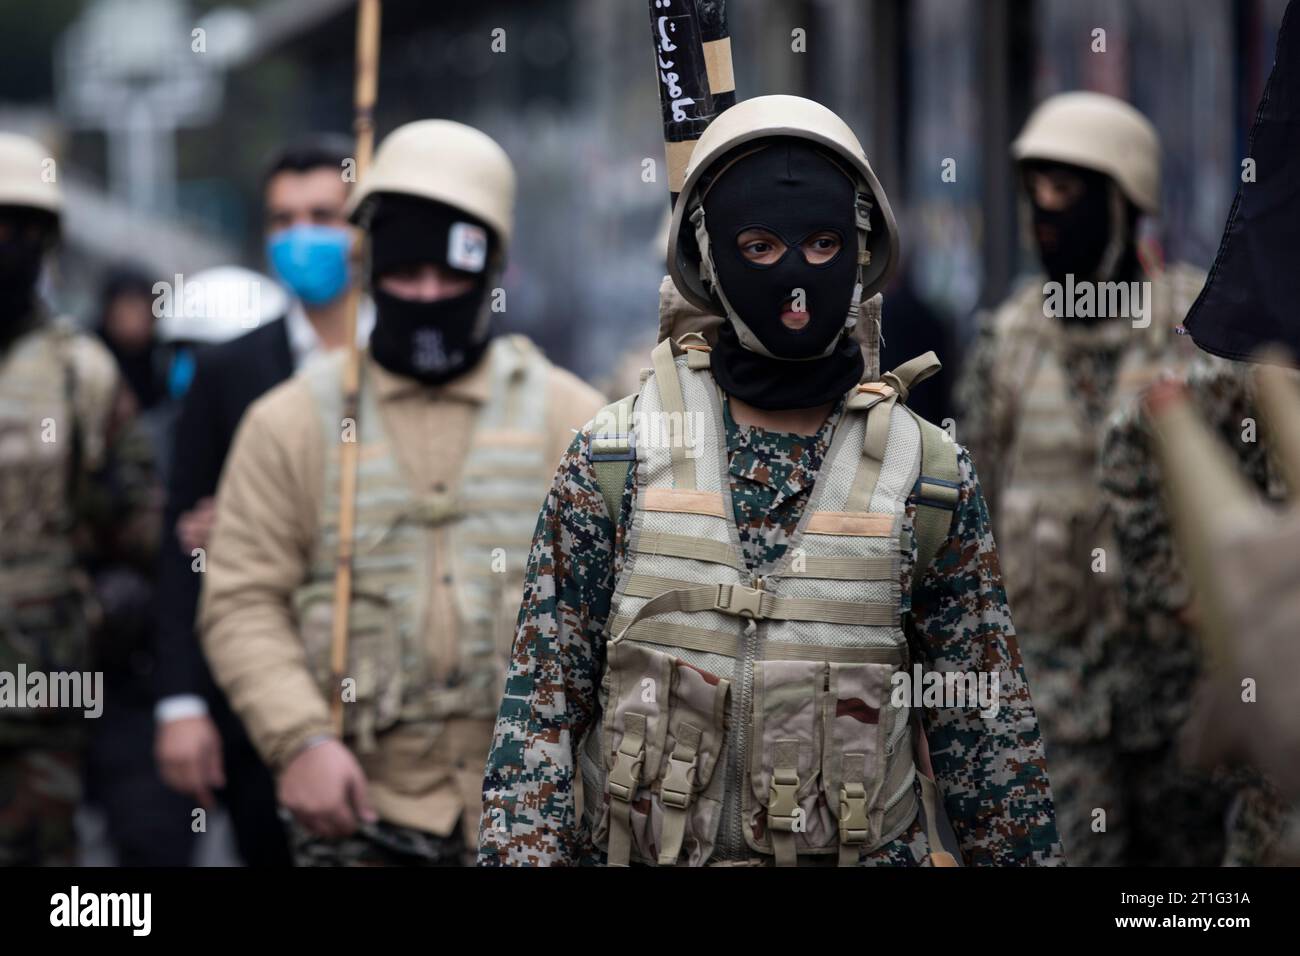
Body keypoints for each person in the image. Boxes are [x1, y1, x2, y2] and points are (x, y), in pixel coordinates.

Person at [479, 95, 1063, 867]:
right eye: (757, 247)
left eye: (823, 245)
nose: (794, 279)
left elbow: (994, 762)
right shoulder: (615, 457)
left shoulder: (928, 480)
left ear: (860, 254)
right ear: (711, 260)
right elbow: (537, 728)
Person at [198, 119, 605, 866]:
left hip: (541, 824)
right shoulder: (290, 423)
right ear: (370, 268)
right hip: (360, 816)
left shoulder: (569, 417)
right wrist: (299, 740)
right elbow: (241, 598)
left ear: (492, 273)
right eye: (404, 274)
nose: (426, 295)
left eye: (451, 276)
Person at [956, 92, 1214, 866]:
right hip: (1055, 714)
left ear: (1122, 199)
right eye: (1034, 189)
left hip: (1186, 707)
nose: (1044, 211)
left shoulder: (1200, 334)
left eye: (1065, 191)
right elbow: (969, 535)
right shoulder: (1008, 346)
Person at [153, 138, 366, 867]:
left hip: (397, 712)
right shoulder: (227, 371)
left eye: (322, 215)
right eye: (282, 220)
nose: (300, 236)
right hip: (257, 715)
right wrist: (181, 705)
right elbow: (180, 544)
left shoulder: (416, 355)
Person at [0, 131, 124, 865]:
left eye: (19, 230)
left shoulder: (82, 373)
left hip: (41, 705)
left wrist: (104, 607)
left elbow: (135, 523)